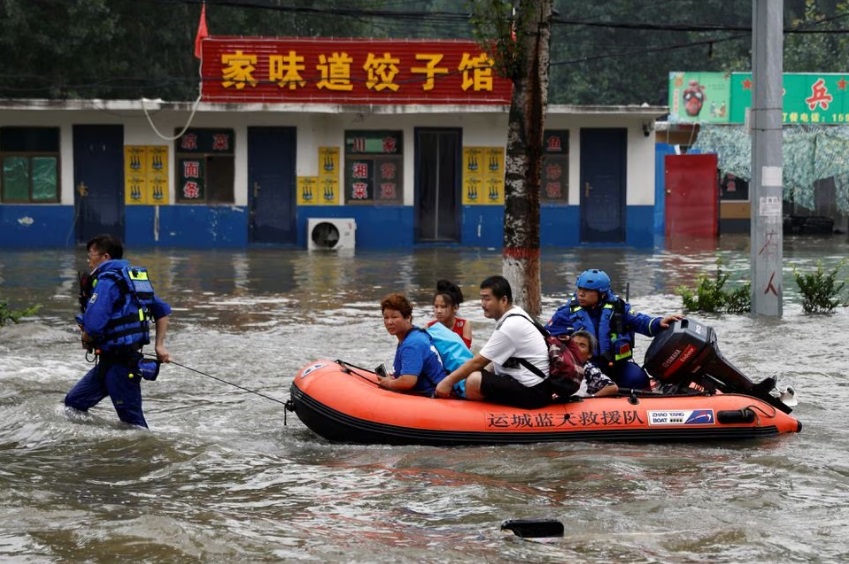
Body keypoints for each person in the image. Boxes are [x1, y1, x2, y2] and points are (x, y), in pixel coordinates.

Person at [64, 235, 172, 428]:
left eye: (91, 255)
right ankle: (99, 445)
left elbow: (93, 327)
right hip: (109, 362)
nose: (88, 260)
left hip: (122, 365)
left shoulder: (106, 282)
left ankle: (143, 448)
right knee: (73, 404)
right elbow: (162, 311)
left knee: (133, 424)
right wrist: (159, 346)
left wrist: (85, 337)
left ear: (105, 256)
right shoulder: (133, 278)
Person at [545, 268, 682, 390]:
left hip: (617, 365)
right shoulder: (565, 313)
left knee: (638, 379)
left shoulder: (619, 308)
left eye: (587, 291)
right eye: (579, 289)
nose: (581, 294)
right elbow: (547, 338)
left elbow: (640, 321)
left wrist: (659, 322)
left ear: (602, 294)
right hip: (584, 366)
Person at [434, 275, 551, 409]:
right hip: (535, 384)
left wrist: (448, 382)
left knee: (473, 380)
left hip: (533, 391)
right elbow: (491, 360)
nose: (483, 304)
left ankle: (479, 413)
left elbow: (478, 361)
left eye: (487, 298)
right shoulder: (515, 314)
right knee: (478, 372)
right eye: (482, 298)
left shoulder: (511, 325)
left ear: (504, 300)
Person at [378, 292, 447, 396]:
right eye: (386, 317)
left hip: (432, 396)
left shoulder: (412, 344)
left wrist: (389, 383)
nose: (389, 322)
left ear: (408, 318)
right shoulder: (414, 333)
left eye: (394, 317)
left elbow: (407, 381)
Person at [569, 330, 618, 398]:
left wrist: (591, 397)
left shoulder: (589, 370)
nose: (576, 348)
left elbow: (613, 387)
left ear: (589, 354)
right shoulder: (558, 364)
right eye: (574, 344)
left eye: (582, 345)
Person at [427, 279, 472, 348]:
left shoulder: (464, 325)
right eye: (436, 306)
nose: (438, 311)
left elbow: (465, 351)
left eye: (443, 307)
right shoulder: (429, 327)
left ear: (455, 308)